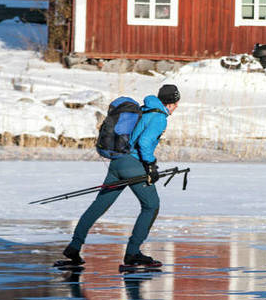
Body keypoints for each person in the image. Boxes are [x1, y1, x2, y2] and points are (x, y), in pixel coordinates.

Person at [62, 83, 180, 269]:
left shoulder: (145, 110)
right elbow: (145, 141)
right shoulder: (160, 117)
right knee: (151, 206)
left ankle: (74, 246)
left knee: (99, 204)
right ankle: (133, 253)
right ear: (173, 103)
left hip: (118, 163)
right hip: (133, 166)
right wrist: (150, 165)